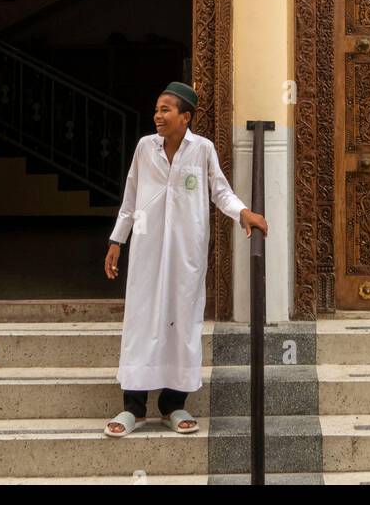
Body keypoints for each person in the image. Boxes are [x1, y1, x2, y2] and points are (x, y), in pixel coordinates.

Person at [103, 81, 268, 436]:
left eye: (165, 110)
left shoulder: (202, 149)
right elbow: (131, 197)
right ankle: (132, 406)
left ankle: (173, 405)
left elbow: (219, 189)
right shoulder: (145, 148)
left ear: (185, 117)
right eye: (157, 110)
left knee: (183, 321)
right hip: (147, 250)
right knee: (141, 321)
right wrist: (118, 240)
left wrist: (243, 213)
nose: (157, 116)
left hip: (185, 253)